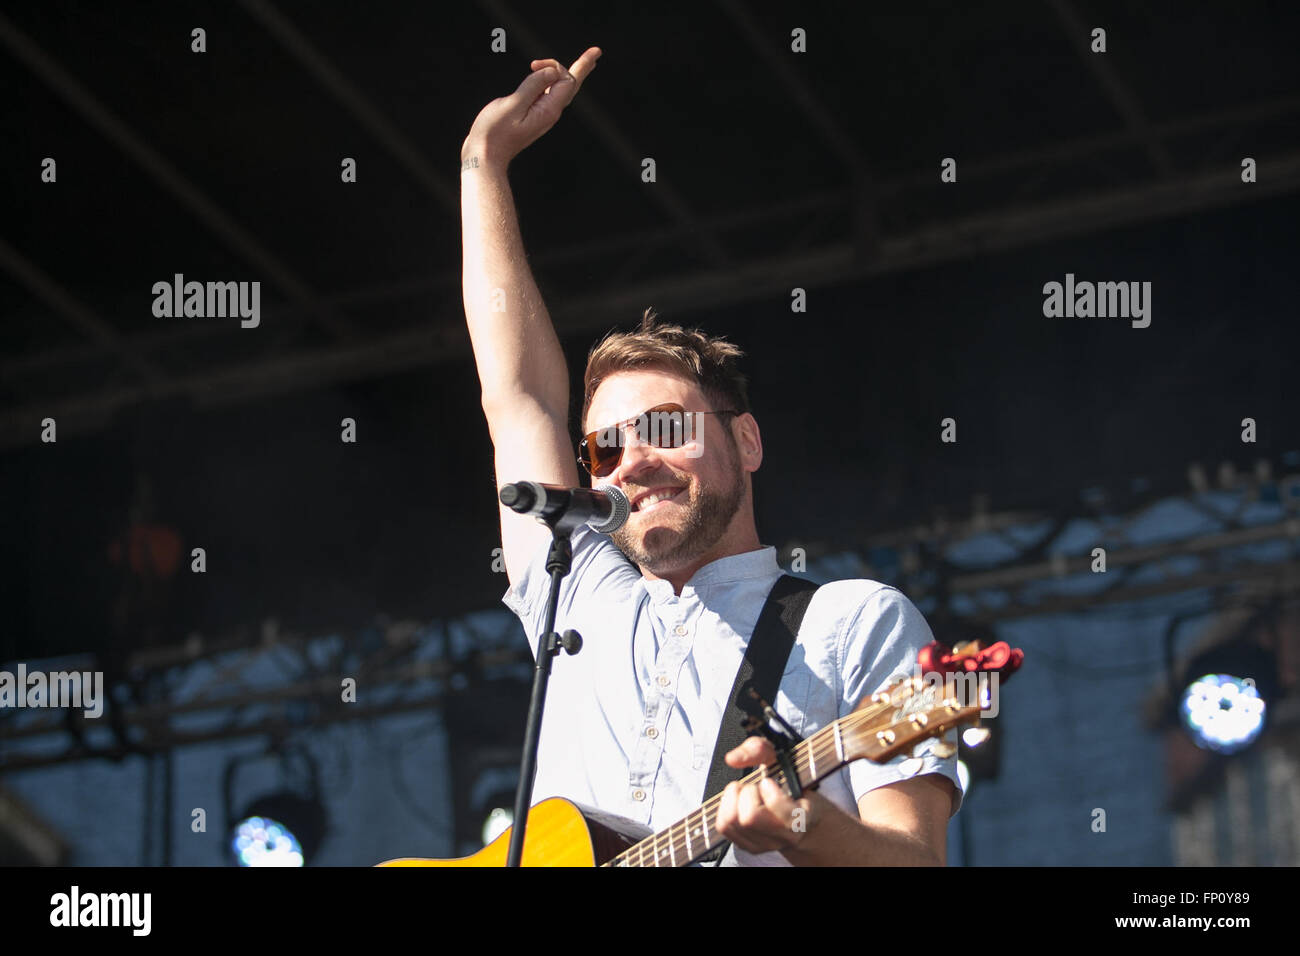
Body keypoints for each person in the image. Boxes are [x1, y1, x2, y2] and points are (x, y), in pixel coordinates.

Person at [460, 47, 960, 866]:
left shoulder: (853, 622)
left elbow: (916, 860)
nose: (632, 461)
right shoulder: (578, 590)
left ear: (747, 439)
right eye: (605, 447)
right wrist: (483, 166)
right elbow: (519, 399)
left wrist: (802, 827)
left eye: (665, 429)